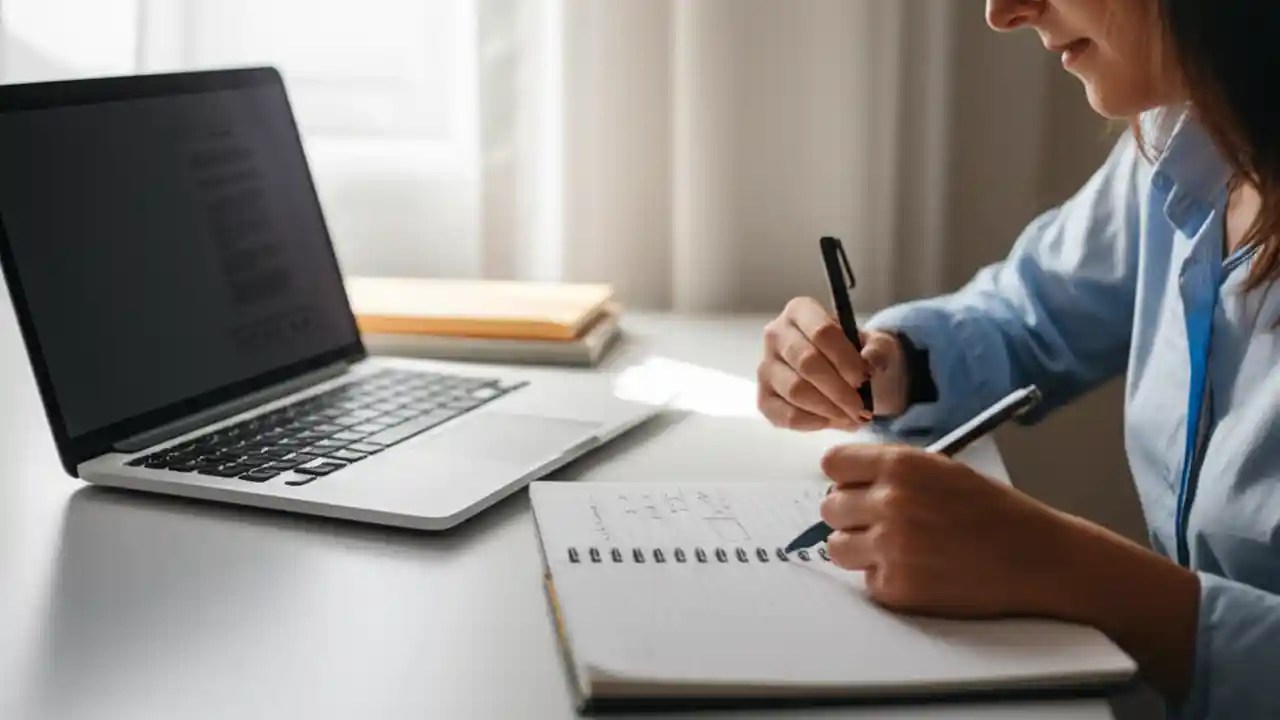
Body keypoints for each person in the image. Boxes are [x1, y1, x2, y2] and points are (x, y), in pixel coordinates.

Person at [757, 1, 1280, 717]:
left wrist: (1071, 574)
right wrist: (889, 365)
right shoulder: (1188, 140)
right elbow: (1027, 314)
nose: (1002, 12)